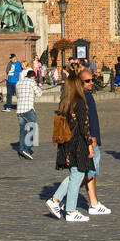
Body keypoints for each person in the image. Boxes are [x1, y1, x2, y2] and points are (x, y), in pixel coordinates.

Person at [46, 74, 95, 222]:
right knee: (78, 174)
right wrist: (90, 145)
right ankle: (71, 211)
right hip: (78, 143)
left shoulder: (65, 102)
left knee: (75, 174)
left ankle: (55, 200)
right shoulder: (79, 102)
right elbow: (84, 126)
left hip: (67, 142)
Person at [79, 67, 111, 213]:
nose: (91, 83)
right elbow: (85, 120)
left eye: (92, 80)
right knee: (87, 173)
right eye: (87, 81)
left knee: (90, 173)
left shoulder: (86, 96)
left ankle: (94, 203)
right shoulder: (84, 97)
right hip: (90, 140)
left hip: (91, 138)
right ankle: (59, 196)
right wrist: (92, 138)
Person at [16, 68, 42, 159]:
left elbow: (17, 95)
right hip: (28, 109)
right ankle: (26, 149)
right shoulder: (31, 82)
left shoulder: (18, 83)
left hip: (19, 109)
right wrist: (39, 87)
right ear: (33, 77)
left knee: (22, 131)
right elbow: (39, 94)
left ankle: (22, 150)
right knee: (33, 129)